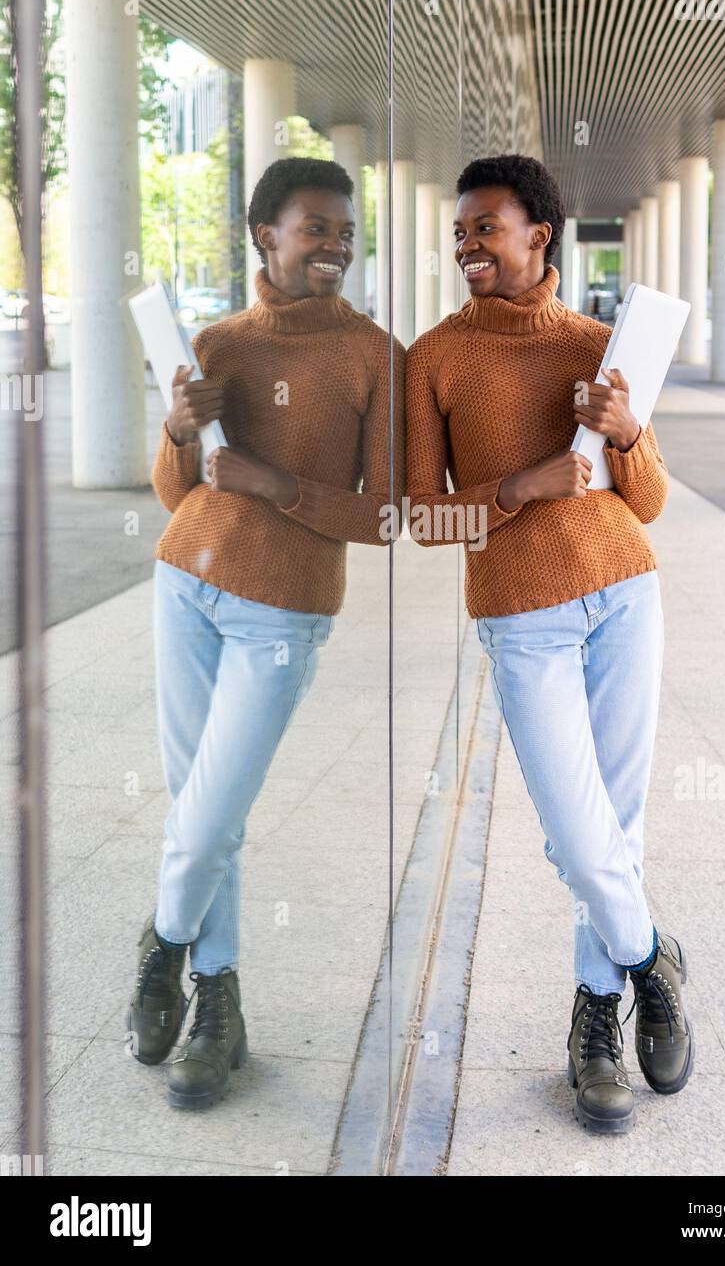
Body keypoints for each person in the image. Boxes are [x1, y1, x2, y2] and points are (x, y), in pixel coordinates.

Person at [405, 153, 693, 1136]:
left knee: (616, 818)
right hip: (519, 612)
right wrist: (517, 488)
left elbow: (645, 503)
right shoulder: (434, 356)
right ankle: (651, 956)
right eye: (458, 230)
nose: (466, 244)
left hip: (621, 591)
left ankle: (595, 1024)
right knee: (578, 831)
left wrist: (625, 434)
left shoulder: (603, 343)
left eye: (484, 227)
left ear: (539, 233)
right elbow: (419, 518)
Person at [127, 157, 404, 1110]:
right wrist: (176, 430)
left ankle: (162, 946)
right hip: (184, 581)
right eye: (314, 228)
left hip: (283, 611)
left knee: (205, 815)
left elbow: (383, 515)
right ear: (264, 237)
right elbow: (179, 492)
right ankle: (220, 1008)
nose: (335, 245)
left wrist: (278, 486)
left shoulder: (374, 353)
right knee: (206, 809)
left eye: (343, 230)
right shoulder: (217, 341)